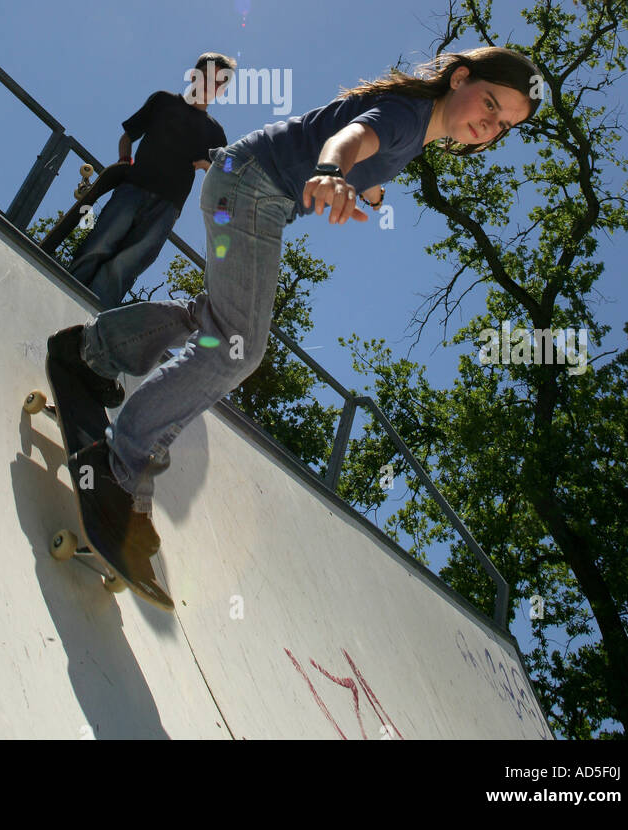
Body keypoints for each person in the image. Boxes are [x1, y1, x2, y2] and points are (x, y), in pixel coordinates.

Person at [48, 46, 543, 567]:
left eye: (504, 125)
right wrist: (332, 170)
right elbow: (351, 138)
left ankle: (92, 350)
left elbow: (364, 148)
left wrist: (369, 191)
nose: (490, 126)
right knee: (238, 349)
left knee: (218, 321)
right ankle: (120, 465)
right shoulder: (407, 115)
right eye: (490, 104)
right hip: (253, 188)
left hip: (244, 181)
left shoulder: (416, 126)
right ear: (460, 77)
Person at [66, 54, 235, 309]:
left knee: (126, 264)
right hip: (133, 188)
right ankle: (62, 290)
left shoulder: (215, 132)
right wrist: (125, 160)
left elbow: (226, 173)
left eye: (218, 83)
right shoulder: (163, 101)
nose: (210, 85)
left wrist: (206, 165)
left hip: (167, 207)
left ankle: (89, 316)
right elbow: (128, 136)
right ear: (193, 75)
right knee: (99, 245)